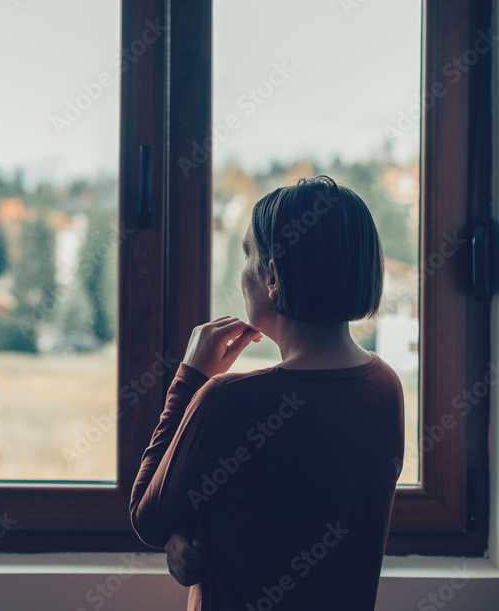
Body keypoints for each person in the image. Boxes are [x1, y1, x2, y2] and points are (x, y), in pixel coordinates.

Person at [130, 175, 405, 610]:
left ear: (272, 276)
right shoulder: (385, 385)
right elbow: (286, 512)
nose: (244, 272)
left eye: (248, 254)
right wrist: (198, 533)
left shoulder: (228, 400)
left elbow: (147, 517)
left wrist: (190, 378)